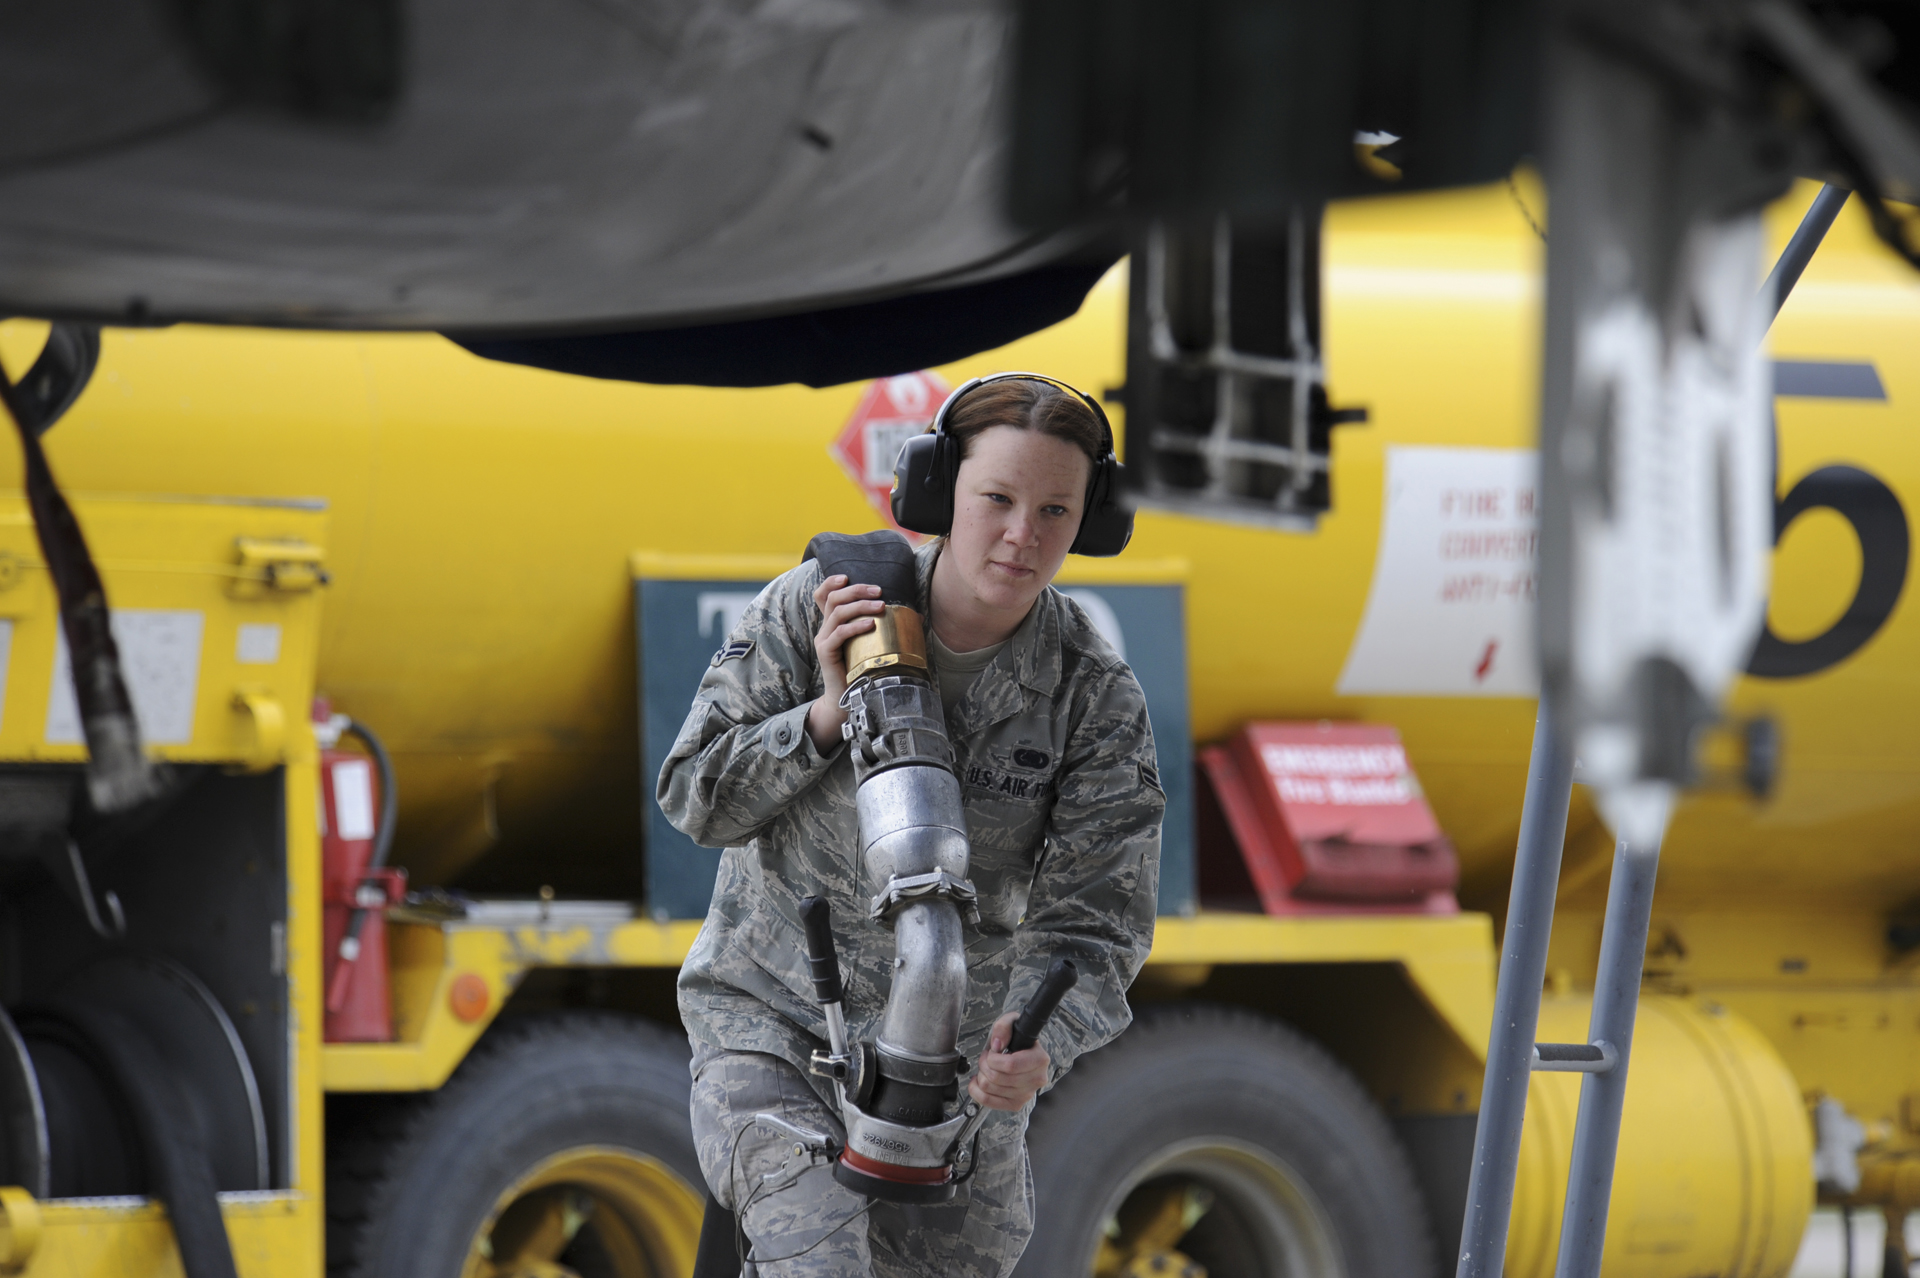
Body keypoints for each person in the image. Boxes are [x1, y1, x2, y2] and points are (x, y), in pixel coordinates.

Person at [661, 374, 1163, 1277]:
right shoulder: (826, 604)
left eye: (1055, 510)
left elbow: (1099, 922)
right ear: (939, 490)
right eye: (997, 499)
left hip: (954, 1076)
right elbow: (695, 796)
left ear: (1093, 519)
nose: (1023, 535)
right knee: (818, 1262)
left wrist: (1037, 1045)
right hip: (777, 1026)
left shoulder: (1092, 694)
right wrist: (823, 717)